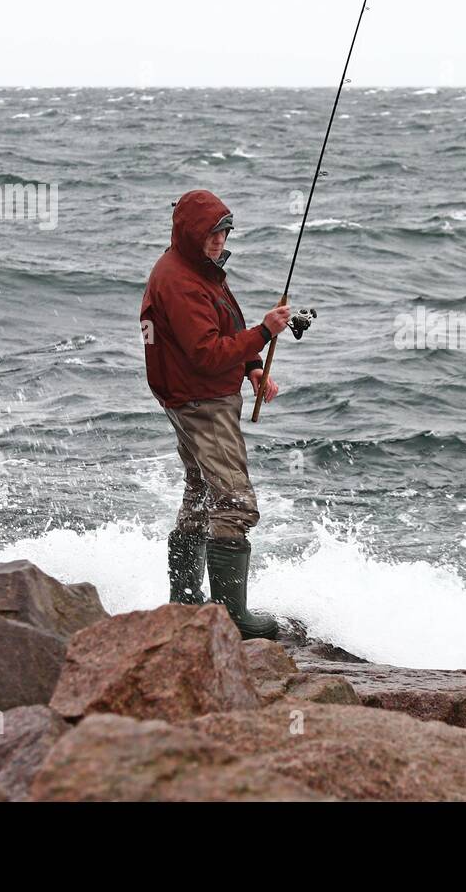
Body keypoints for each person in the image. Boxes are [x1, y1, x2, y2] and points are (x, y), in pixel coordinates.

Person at [140, 189, 291, 639]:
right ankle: (232, 621)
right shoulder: (181, 282)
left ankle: (186, 603)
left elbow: (222, 327)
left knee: (201, 494)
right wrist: (265, 331)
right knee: (234, 501)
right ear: (189, 234)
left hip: (187, 398)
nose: (219, 242)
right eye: (210, 234)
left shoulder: (195, 270)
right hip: (201, 402)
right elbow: (206, 354)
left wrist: (251, 368)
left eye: (223, 233)